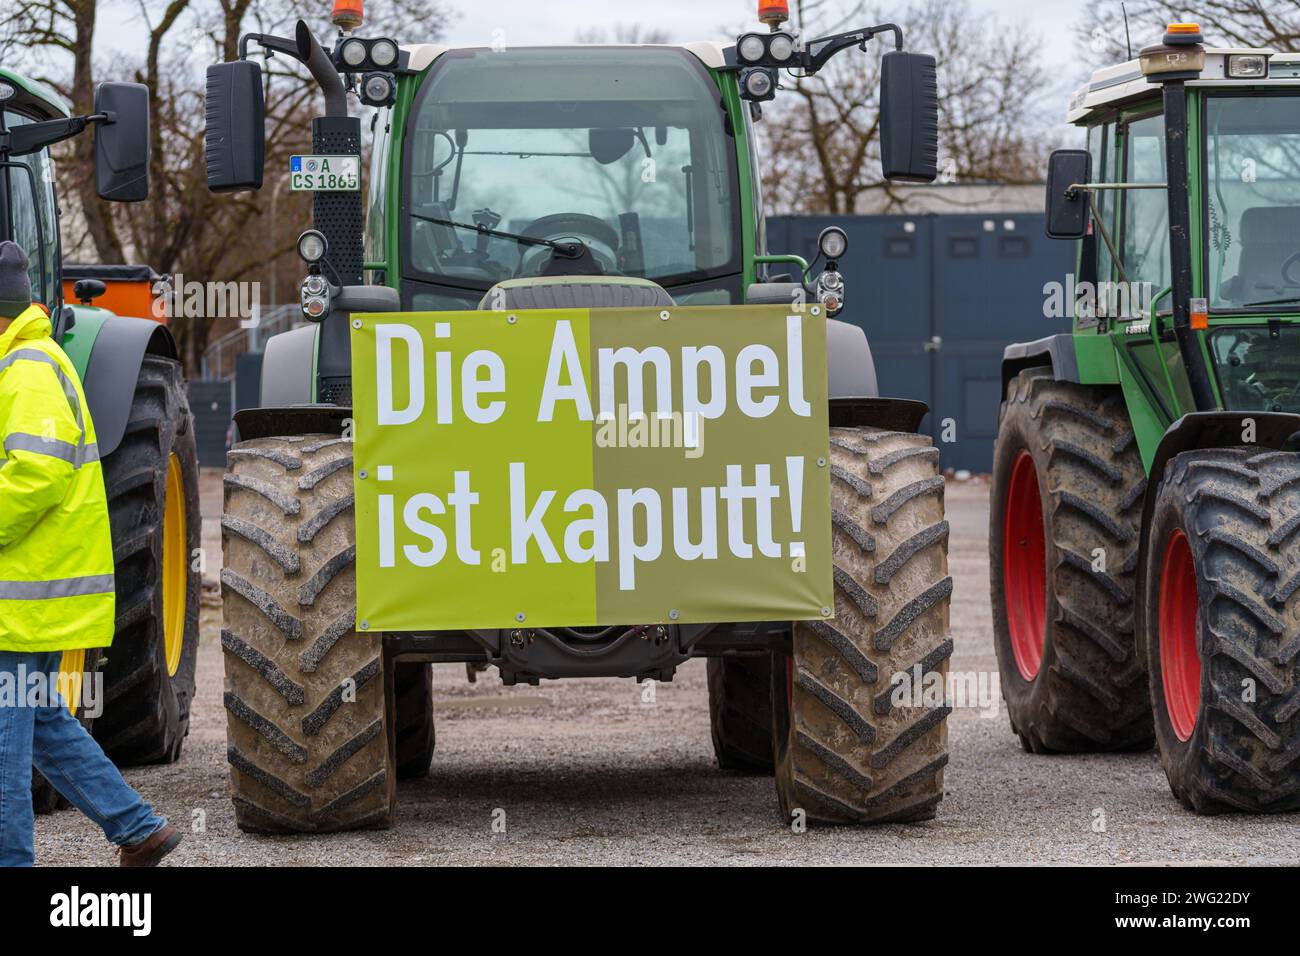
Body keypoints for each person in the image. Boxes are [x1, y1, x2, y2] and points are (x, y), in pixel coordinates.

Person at [0, 240, 180, 867]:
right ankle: (138, 829)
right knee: (43, 724)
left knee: (3, 754)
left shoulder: (26, 369)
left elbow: (35, 476)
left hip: (24, 607)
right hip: (32, 602)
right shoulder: (26, 362)